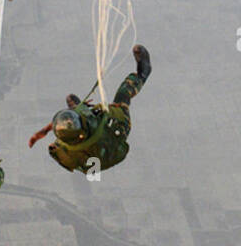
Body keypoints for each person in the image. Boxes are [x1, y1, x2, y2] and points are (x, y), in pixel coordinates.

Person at [28, 45, 150, 174]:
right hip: (114, 135)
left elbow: (58, 125)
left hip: (89, 143)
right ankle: (144, 72)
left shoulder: (66, 135)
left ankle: (78, 110)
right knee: (123, 94)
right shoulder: (80, 151)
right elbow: (92, 169)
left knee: (71, 99)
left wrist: (39, 134)